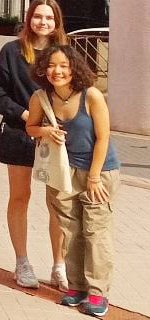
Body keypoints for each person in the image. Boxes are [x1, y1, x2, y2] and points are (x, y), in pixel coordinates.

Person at [25, 45, 120, 318]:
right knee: (70, 230)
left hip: (98, 172)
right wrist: (45, 130)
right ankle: (77, 286)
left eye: (64, 65)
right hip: (61, 172)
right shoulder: (40, 97)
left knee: (96, 231)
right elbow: (31, 127)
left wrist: (94, 177)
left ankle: (98, 292)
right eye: (51, 65)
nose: (57, 71)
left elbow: (103, 138)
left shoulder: (91, 96)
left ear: (74, 68)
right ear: (43, 69)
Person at [0, 0, 69, 289]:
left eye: (49, 18)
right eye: (38, 16)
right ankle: (22, 261)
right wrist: (28, 116)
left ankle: (59, 265)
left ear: (56, 22)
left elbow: (77, 93)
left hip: (56, 137)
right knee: (20, 197)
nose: (43, 22)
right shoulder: (11, 51)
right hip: (20, 134)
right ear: (29, 19)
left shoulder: (65, 53)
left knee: (57, 202)